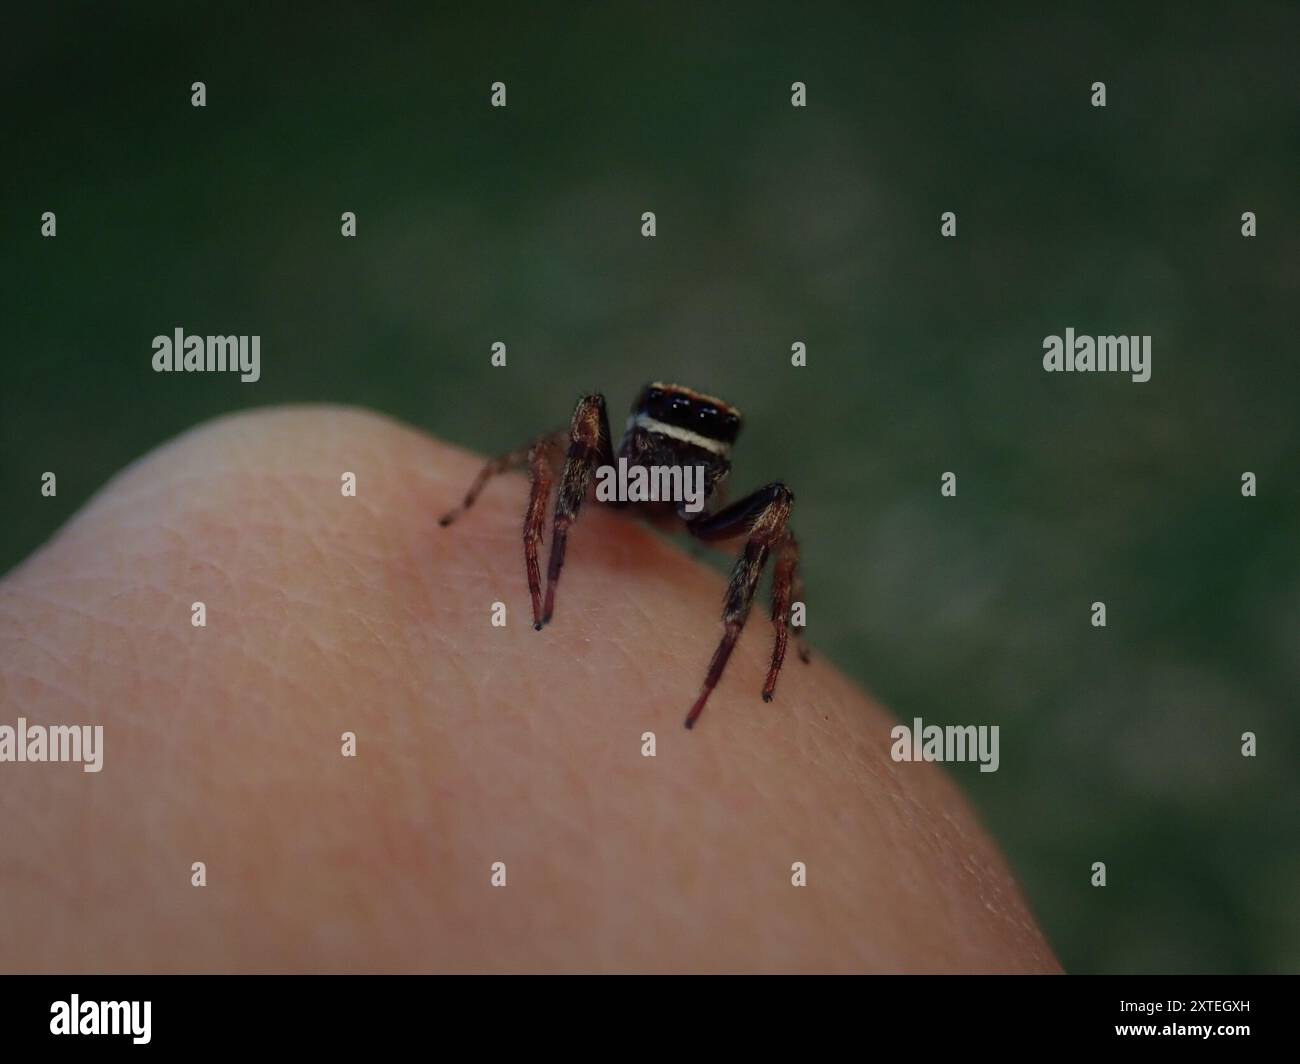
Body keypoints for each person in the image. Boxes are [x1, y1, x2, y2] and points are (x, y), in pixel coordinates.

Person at [0, 406, 1060, 973]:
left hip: (673, 517)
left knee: (768, 522)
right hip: (632, 490)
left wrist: (773, 633)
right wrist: (515, 524)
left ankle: (750, 644)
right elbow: (554, 450)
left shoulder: (722, 506)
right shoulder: (602, 460)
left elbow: (769, 534)